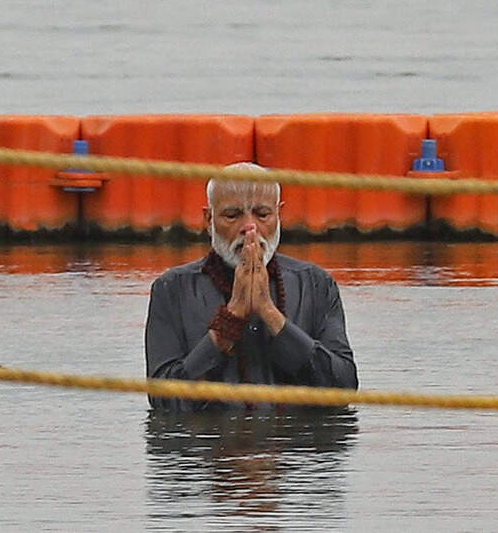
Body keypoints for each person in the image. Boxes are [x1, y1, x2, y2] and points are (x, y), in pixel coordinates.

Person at [144, 162, 358, 412]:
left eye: (262, 214)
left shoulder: (316, 284)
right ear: (208, 219)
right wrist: (230, 320)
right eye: (232, 216)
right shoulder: (171, 289)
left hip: (296, 450)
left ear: (279, 216)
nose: (250, 228)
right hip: (210, 447)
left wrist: (270, 313)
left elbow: (343, 389)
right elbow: (164, 400)